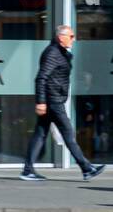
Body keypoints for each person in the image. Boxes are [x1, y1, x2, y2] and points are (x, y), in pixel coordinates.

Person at [21, 25, 105, 182]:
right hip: (53, 101)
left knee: (40, 134)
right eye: (71, 36)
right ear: (61, 37)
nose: (74, 39)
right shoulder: (53, 53)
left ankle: (27, 170)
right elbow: (41, 78)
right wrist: (41, 102)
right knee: (68, 134)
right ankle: (86, 169)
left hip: (53, 99)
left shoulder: (60, 52)